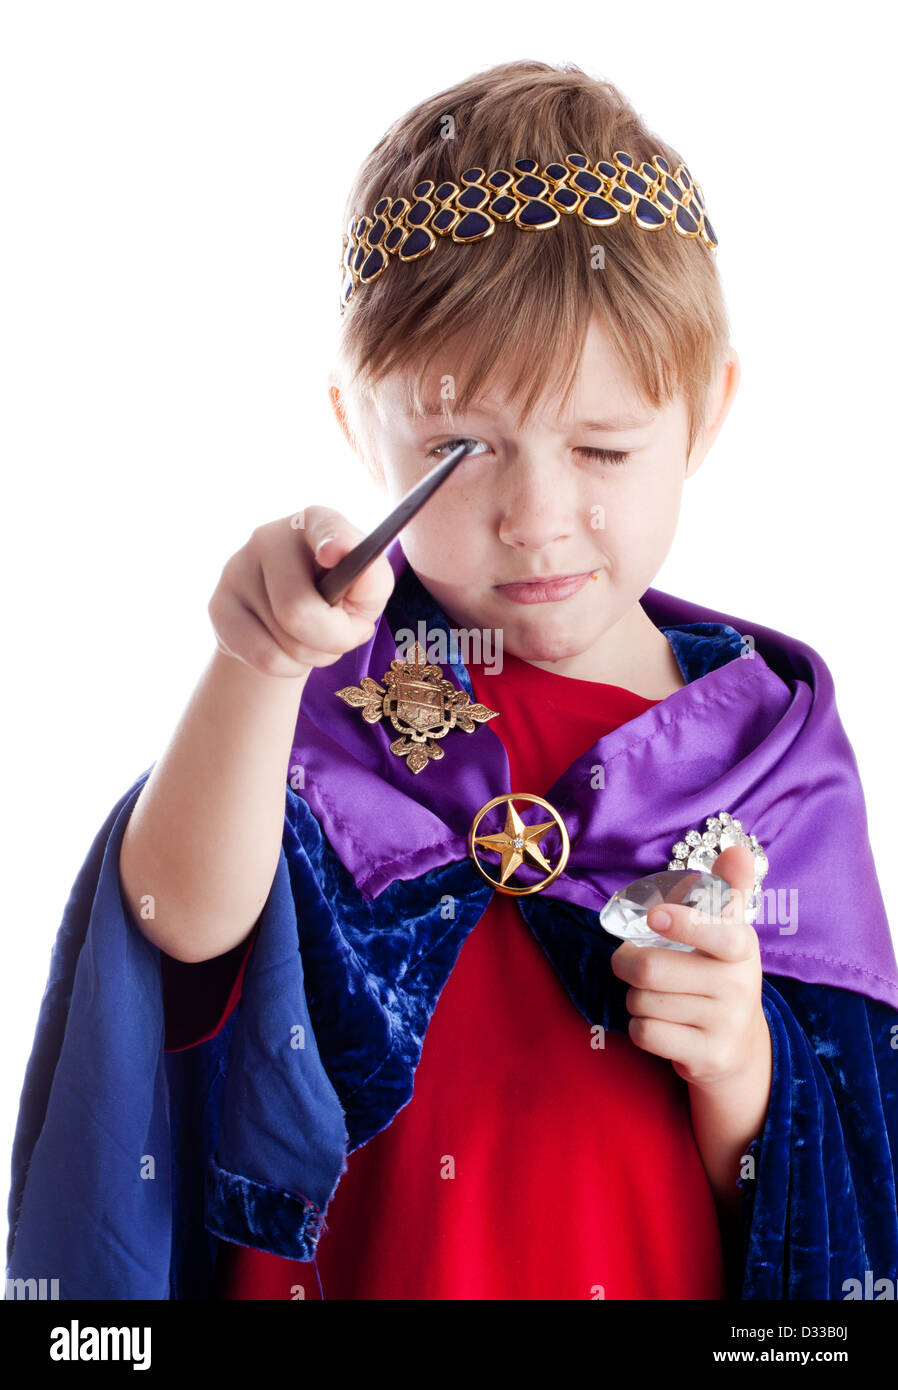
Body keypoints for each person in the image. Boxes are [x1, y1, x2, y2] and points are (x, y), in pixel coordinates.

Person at [7, 59, 898, 1303]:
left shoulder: (767, 754)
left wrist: (741, 1061)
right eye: (456, 451)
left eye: (601, 445)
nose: (534, 517)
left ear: (706, 415)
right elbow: (175, 926)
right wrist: (256, 664)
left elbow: (836, 1175)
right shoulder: (330, 675)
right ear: (355, 425)